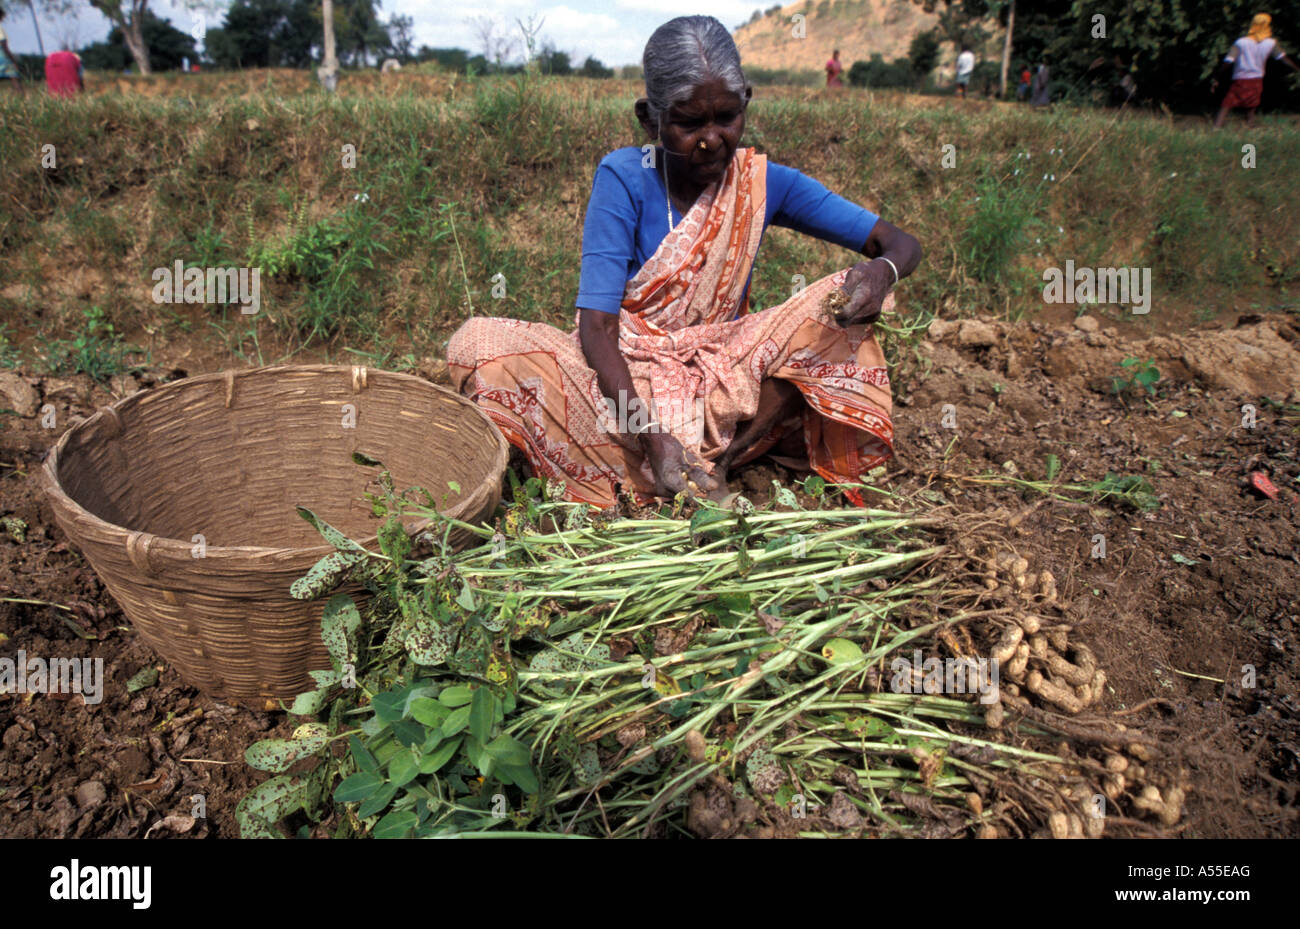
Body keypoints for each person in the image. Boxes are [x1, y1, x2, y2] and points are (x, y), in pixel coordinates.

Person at [448, 15, 921, 509]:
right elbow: (597, 329)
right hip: (625, 377)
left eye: (726, 117)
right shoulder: (625, 176)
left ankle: (714, 464)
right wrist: (650, 433)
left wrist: (879, 273)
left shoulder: (763, 182)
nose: (711, 138)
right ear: (649, 120)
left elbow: (900, 244)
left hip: (722, 371)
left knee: (835, 305)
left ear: (746, 104)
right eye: (689, 122)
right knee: (480, 345)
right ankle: (665, 458)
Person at [1212, 14, 1300, 128]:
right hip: (1257, 79)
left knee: (1227, 104)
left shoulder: (1241, 42)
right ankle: (1250, 126)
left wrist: (1217, 75)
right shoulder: (1271, 43)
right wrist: (1297, 69)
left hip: (1241, 78)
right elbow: (1284, 60)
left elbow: (1228, 61)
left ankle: (1216, 128)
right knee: (1252, 104)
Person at [0, 10, 24, 95]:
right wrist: (13, 60)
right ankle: (22, 98)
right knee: (14, 77)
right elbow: (4, 46)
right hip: (2, 58)